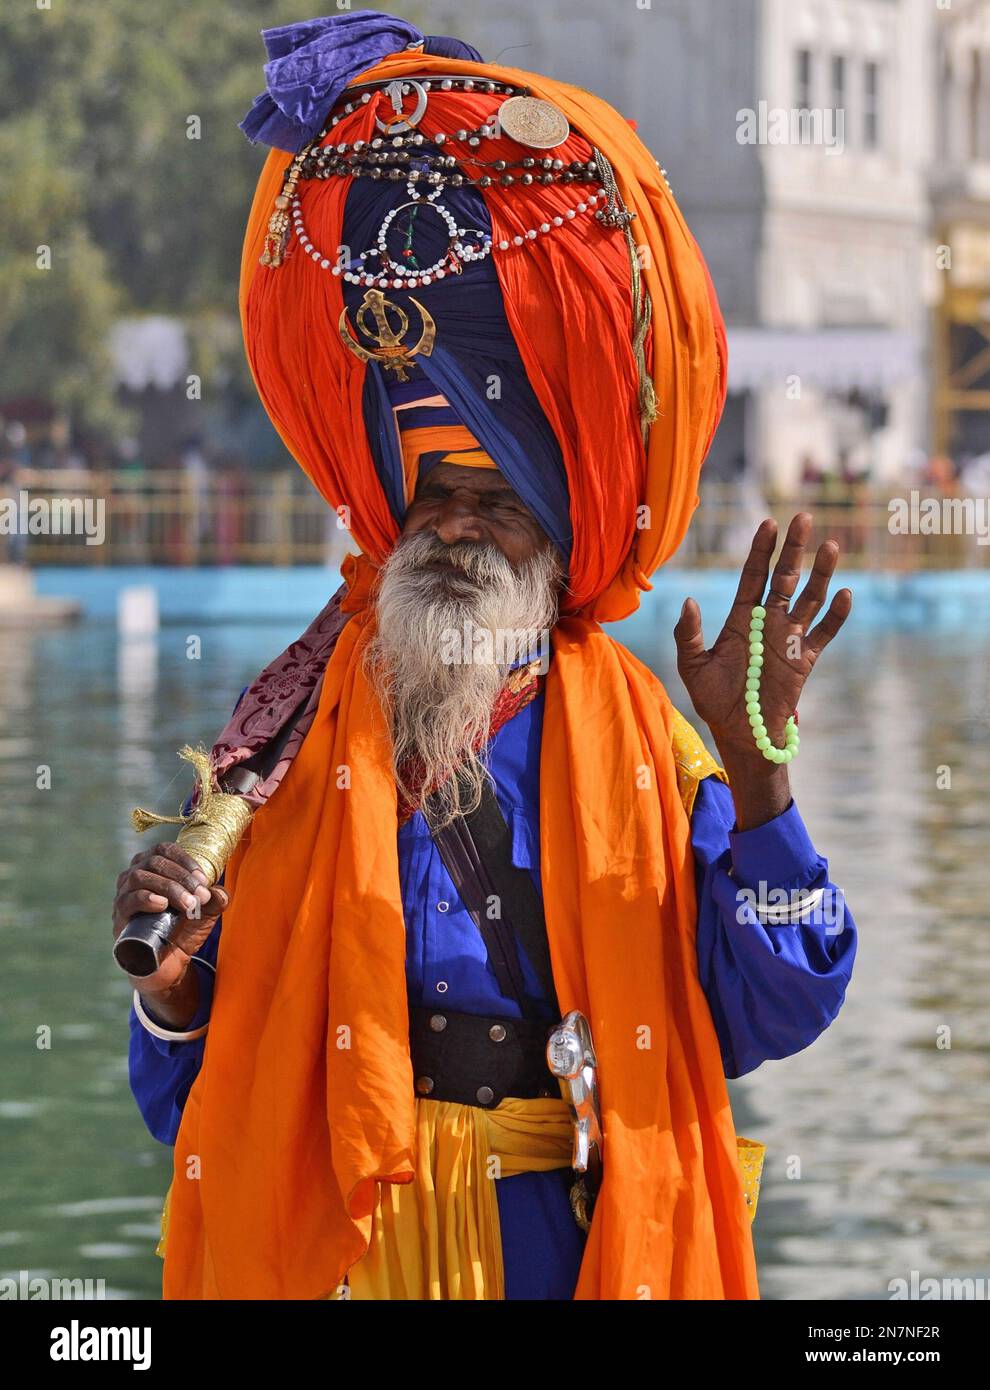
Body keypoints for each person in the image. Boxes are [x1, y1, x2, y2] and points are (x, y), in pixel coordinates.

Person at [112, 12, 857, 1301]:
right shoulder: (284, 743)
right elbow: (197, 1112)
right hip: (358, 1256)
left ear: (560, 538)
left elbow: (777, 1013)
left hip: (565, 1253)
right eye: (434, 497)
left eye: (497, 500)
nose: (455, 528)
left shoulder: (639, 737)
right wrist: (172, 995)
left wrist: (765, 790)